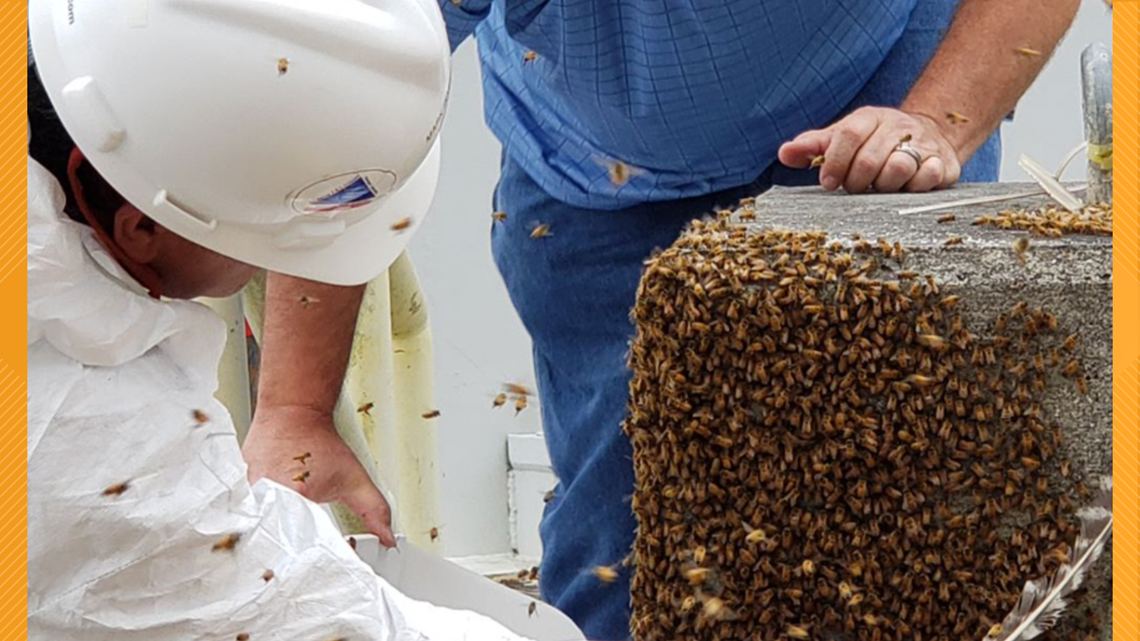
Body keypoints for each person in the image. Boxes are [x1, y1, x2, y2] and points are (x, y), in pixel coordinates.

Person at [239, 1, 1082, 638]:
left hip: (872, 125)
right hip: (590, 168)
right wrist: (294, 411)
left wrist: (938, 120)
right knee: (623, 526)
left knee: (879, 504)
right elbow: (346, 98)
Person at [26, 1, 532, 639]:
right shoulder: (85, 428)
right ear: (144, 227)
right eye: (272, 243)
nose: (281, 264)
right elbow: (299, 619)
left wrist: (298, 411)